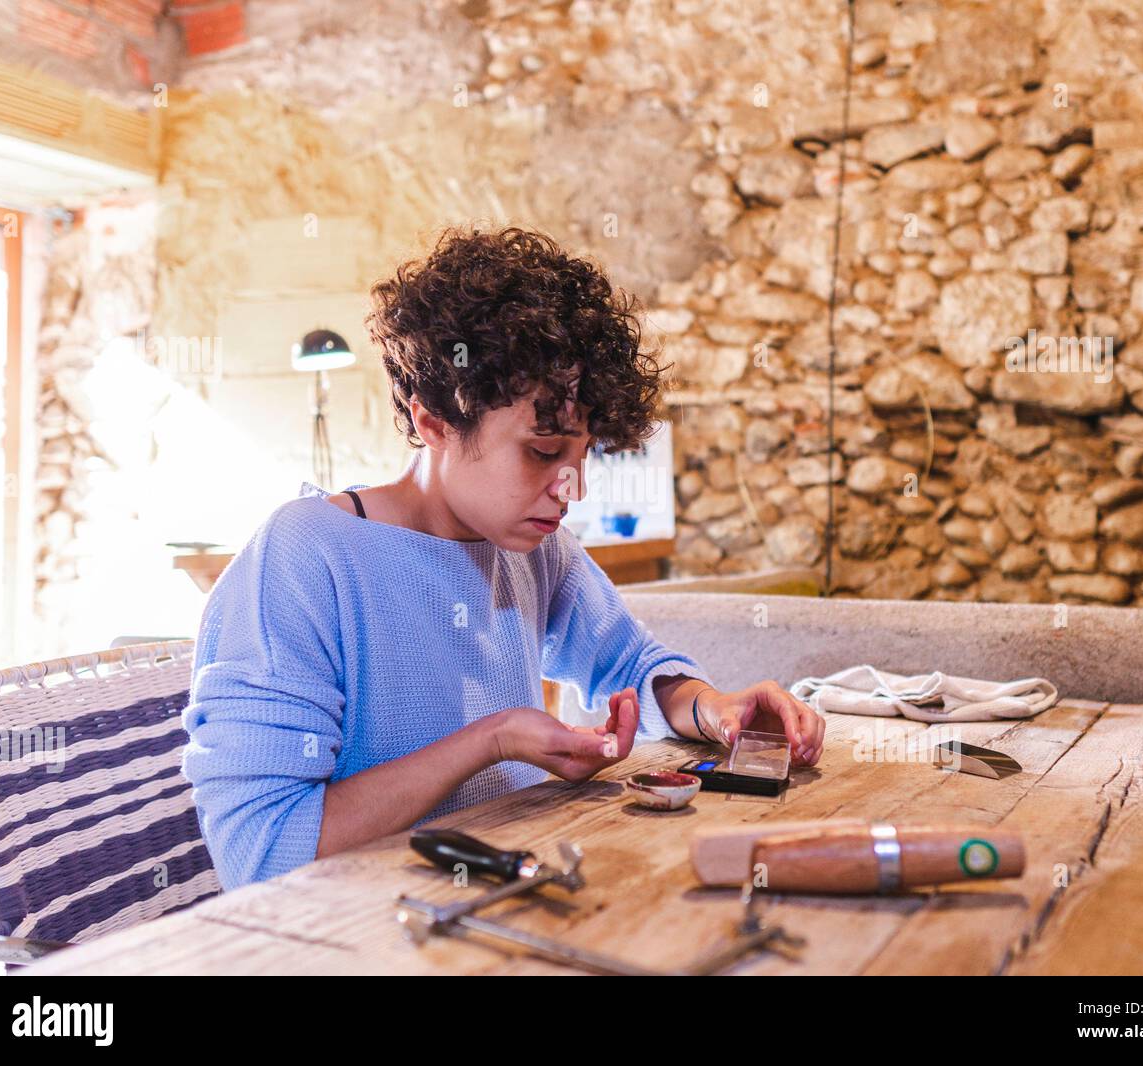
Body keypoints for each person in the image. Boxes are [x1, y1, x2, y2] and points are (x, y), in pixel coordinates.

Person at [181, 224, 825, 890]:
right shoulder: (304, 559)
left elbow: (630, 665)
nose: (570, 488)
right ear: (432, 419)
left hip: (506, 898)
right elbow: (262, 854)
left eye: (582, 457)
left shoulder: (535, 549)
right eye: (543, 453)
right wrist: (492, 740)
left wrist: (712, 709)